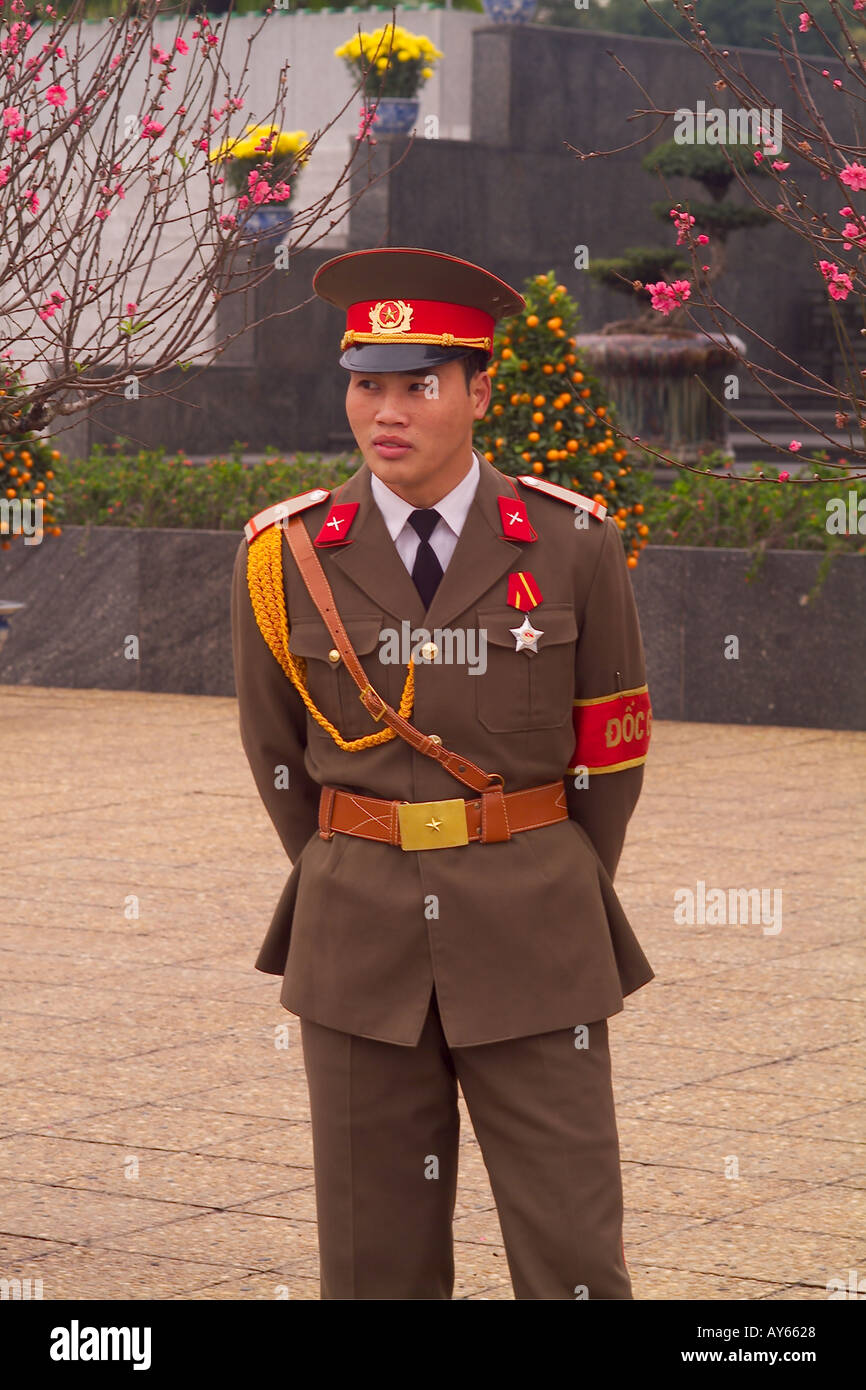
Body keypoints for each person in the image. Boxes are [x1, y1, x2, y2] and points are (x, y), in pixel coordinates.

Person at [230, 246, 654, 1300]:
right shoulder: (286, 556)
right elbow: (277, 755)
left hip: (535, 935)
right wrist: (358, 857)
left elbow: (610, 755)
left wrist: (534, 857)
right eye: (365, 382)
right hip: (358, 942)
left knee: (571, 1255)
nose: (385, 409)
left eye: (416, 384)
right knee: (374, 1263)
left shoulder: (570, 544)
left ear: (477, 389)